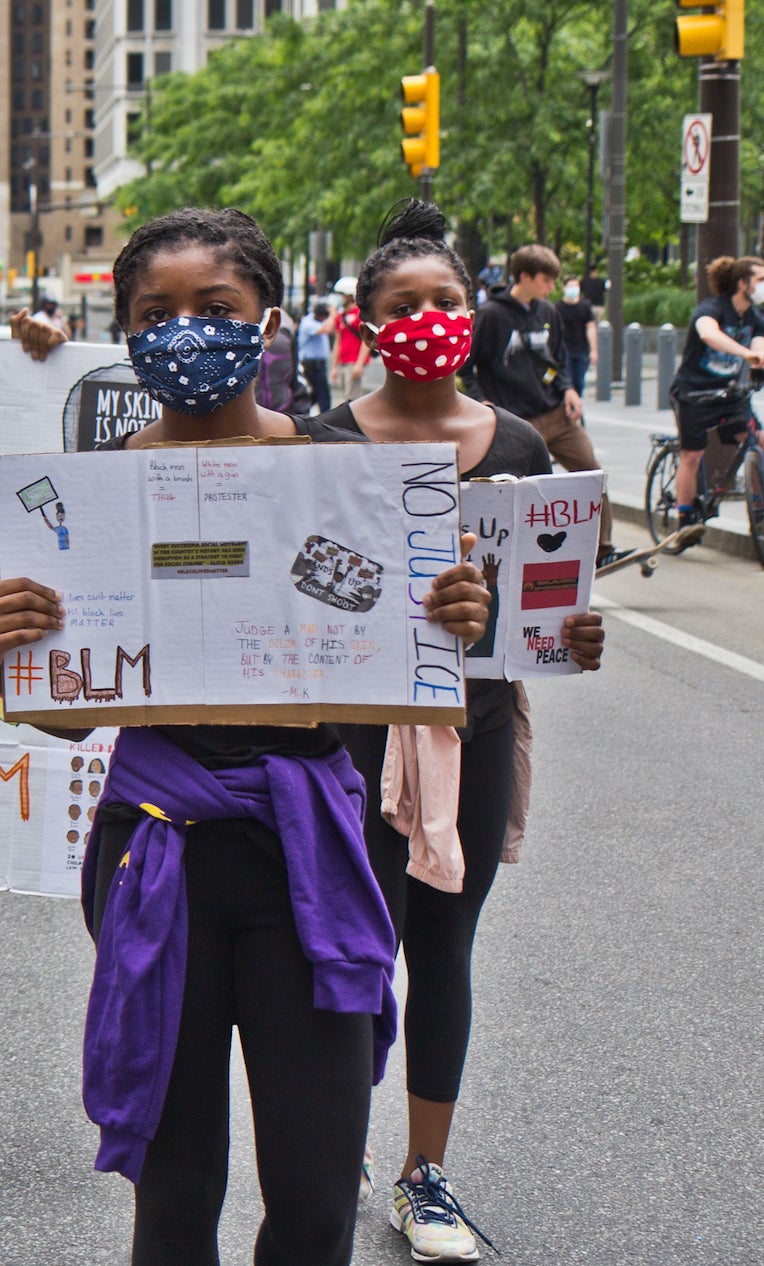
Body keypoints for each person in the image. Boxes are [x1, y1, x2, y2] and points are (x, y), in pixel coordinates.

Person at [0, 206, 497, 1266]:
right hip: (155, 858)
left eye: (214, 309)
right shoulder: (85, 498)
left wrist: (450, 625)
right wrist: (1, 656)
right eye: (153, 313)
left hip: (307, 854)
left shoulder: (346, 479)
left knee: (309, 1201)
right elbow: (63, 710)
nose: (183, 332)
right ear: (122, 332)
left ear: (266, 321)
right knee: (173, 1202)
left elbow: (416, 694)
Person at [319, 200, 606, 1262]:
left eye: (446, 300)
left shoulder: (521, 443)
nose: (430, 317)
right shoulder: (325, 441)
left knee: (443, 946)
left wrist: (574, 632)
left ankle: (421, 1175)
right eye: (405, 305)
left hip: (474, 732)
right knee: (350, 948)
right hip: (349, 744)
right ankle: (334, 1137)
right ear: (366, 322)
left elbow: (555, 598)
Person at [462, 244, 623, 565]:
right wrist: (481, 400)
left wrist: (568, 390)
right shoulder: (492, 315)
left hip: (554, 412)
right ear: (524, 275)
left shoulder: (548, 312)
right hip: (514, 420)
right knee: (516, 492)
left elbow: (558, 359)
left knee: (591, 476)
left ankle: (603, 550)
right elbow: (466, 364)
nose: (552, 287)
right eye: (546, 280)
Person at [668, 254, 764, 541]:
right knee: (693, 454)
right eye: (760, 280)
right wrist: (744, 352)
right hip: (694, 394)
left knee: (758, 441)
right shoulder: (712, 308)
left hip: (730, 395)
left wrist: (757, 357)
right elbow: (708, 334)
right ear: (742, 283)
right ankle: (684, 519)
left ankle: (759, 511)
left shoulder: (754, 317)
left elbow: (759, 345)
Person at [555, 276, 597, 396]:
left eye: (576, 286)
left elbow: (591, 328)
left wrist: (594, 350)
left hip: (581, 349)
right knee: (568, 381)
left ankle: (576, 403)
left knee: (579, 382)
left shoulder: (585, 307)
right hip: (564, 350)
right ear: (564, 288)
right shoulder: (557, 308)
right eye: (570, 286)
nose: (573, 289)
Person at [333, 283, 372, 401]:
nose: (339, 298)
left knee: (352, 400)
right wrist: (334, 367)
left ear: (350, 296)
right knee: (345, 398)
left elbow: (366, 341)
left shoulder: (360, 315)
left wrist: (359, 363)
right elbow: (337, 343)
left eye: (341, 295)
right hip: (343, 363)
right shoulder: (340, 316)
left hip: (354, 362)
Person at [298, 301, 335, 414]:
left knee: (316, 393)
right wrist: (333, 314)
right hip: (311, 364)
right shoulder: (308, 323)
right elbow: (326, 329)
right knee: (322, 394)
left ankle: (304, 412)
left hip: (319, 363)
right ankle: (325, 416)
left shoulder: (317, 321)